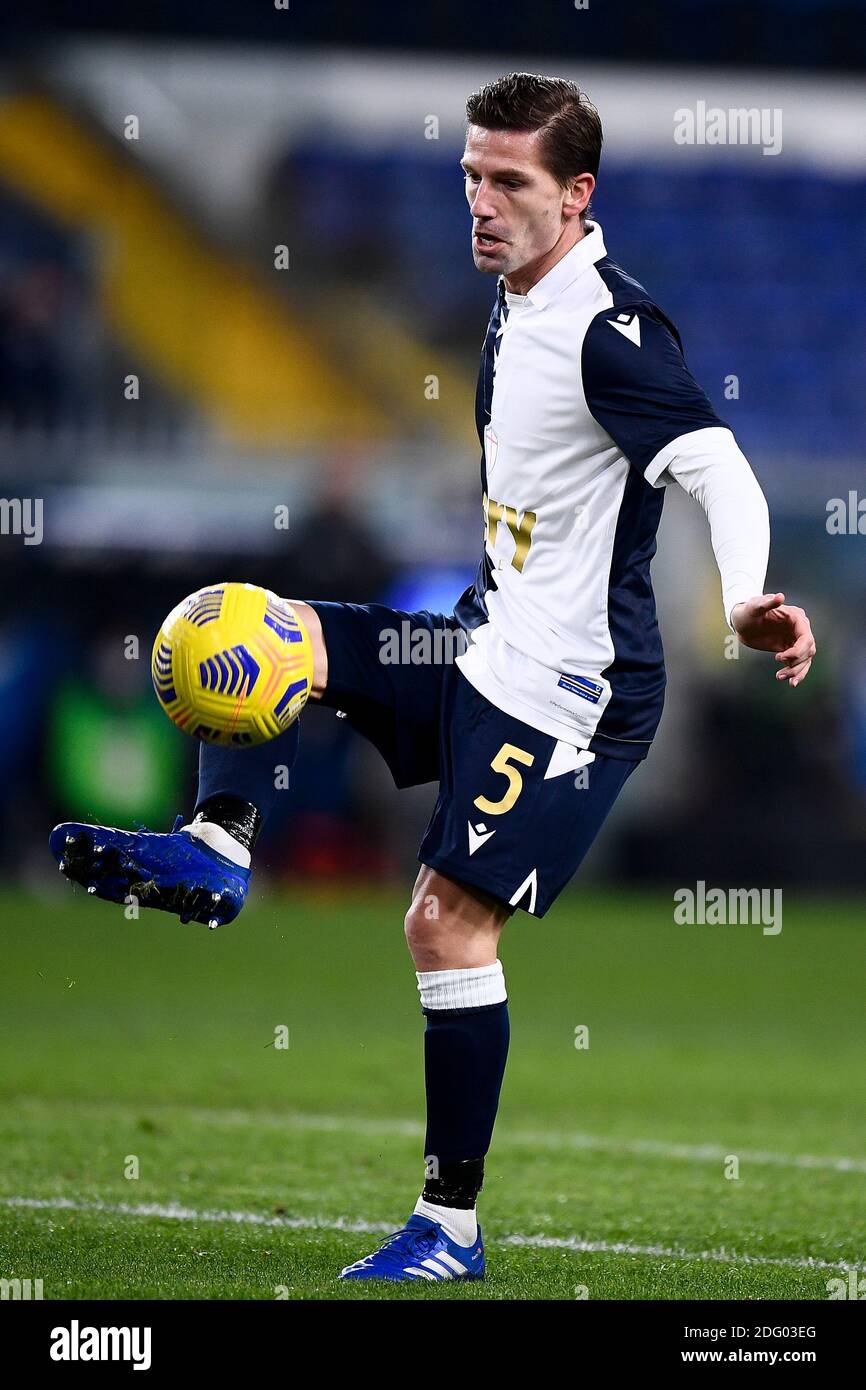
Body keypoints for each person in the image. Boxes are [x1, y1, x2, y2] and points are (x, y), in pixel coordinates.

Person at [51, 73, 816, 1284]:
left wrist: (741, 599)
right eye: (470, 174)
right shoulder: (515, 302)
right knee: (255, 626)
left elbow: (717, 470)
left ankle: (447, 1229)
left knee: (442, 924)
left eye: (509, 181)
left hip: (572, 696)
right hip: (478, 641)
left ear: (575, 195)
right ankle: (220, 841)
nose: (480, 200)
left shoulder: (606, 329)